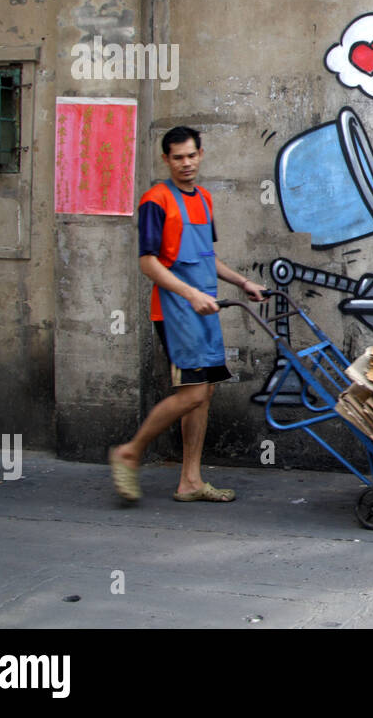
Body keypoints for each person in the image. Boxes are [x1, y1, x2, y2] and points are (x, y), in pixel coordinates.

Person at [109, 126, 266, 503]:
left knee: (204, 393)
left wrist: (243, 282)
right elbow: (148, 263)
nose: (186, 163)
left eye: (191, 155)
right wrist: (190, 293)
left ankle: (191, 481)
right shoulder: (156, 200)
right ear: (166, 159)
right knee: (193, 393)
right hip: (177, 310)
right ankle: (130, 452)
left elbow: (206, 259)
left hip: (204, 308)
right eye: (177, 157)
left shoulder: (204, 200)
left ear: (201, 154)